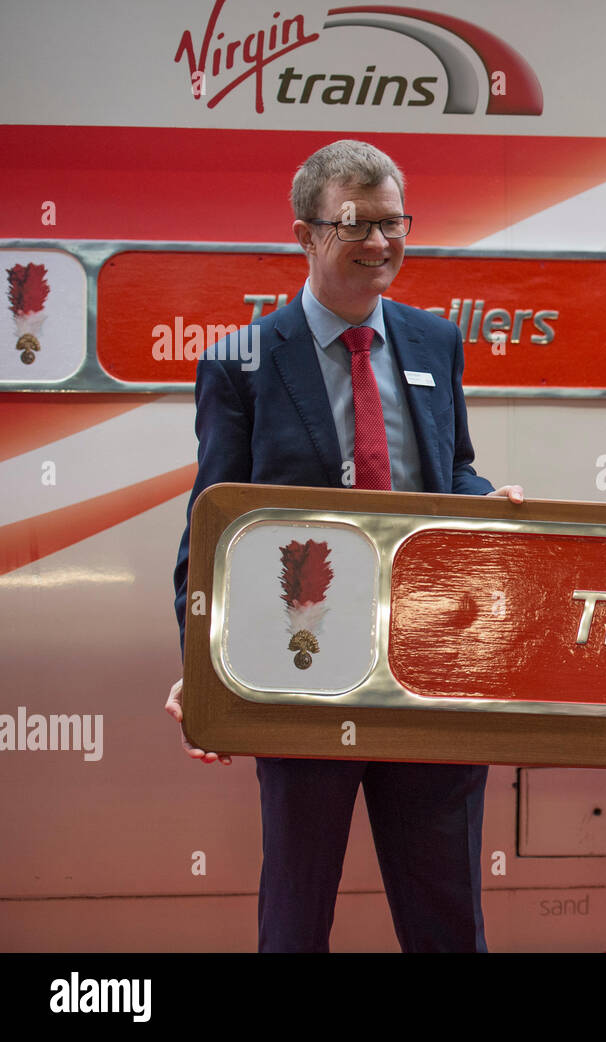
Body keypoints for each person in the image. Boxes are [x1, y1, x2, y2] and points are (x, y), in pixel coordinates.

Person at [165, 139, 523, 952]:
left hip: (429, 660)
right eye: (357, 224)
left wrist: (489, 504)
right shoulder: (242, 361)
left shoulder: (436, 342)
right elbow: (211, 522)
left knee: (446, 918)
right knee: (296, 914)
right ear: (306, 233)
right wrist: (198, 664)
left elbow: (448, 472)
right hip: (301, 664)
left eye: (394, 222)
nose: (381, 244)